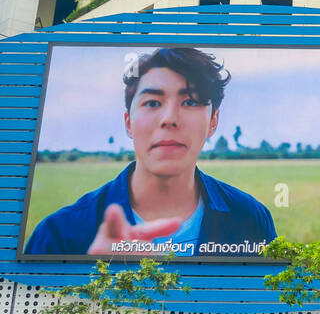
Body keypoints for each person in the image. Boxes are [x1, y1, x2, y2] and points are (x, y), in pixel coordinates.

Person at [25, 46, 277, 256]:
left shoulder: (252, 219)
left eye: (189, 101)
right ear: (128, 123)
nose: (169, 119)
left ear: (213, 121)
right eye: (153, 102)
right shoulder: (58, 234)